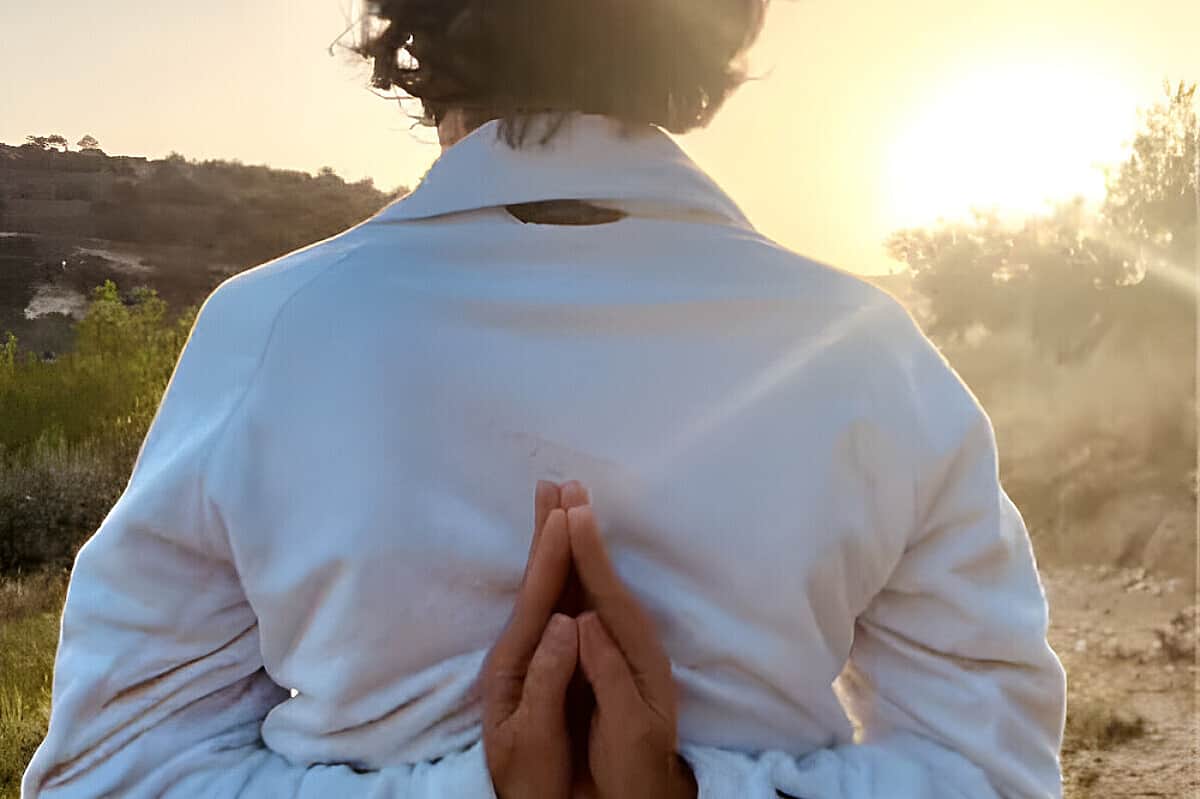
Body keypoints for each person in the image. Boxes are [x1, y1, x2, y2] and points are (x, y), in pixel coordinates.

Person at [22, 0, 1067, 797]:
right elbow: (995, 769)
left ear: (416, 33)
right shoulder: (864, 349)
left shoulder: (274, 333)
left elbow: (109, 771)